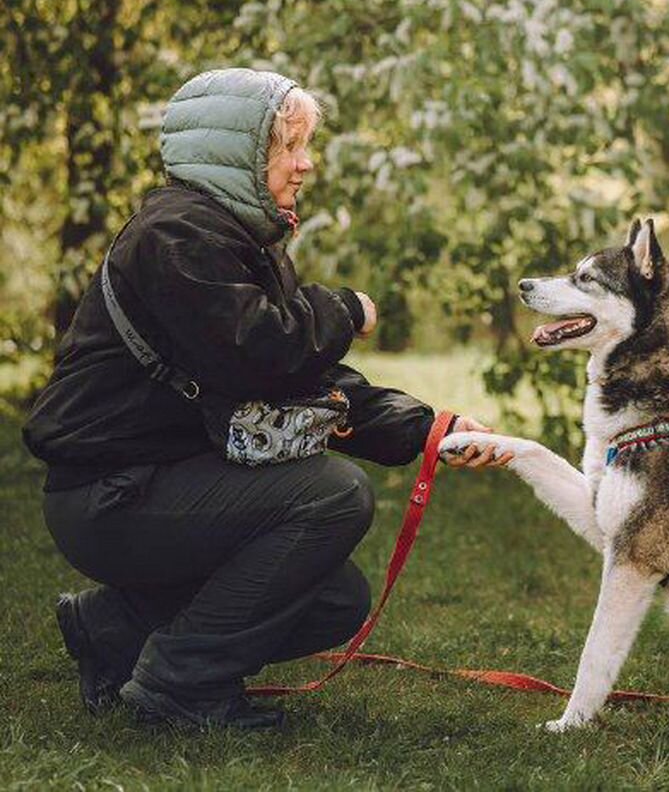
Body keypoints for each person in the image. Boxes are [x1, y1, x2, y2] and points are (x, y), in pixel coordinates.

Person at [23, 68, 508, 729]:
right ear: (234, 151)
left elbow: (298, 383)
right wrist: (342, 309)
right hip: (110, 494)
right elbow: (261, 351)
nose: (306, 164)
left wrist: (432, 430)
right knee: (331, 493)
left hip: (154, 482)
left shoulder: (238, 238)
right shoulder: (176, 236)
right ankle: (179, 688)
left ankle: (114, 629)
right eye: (289, 146)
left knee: (336, 600)